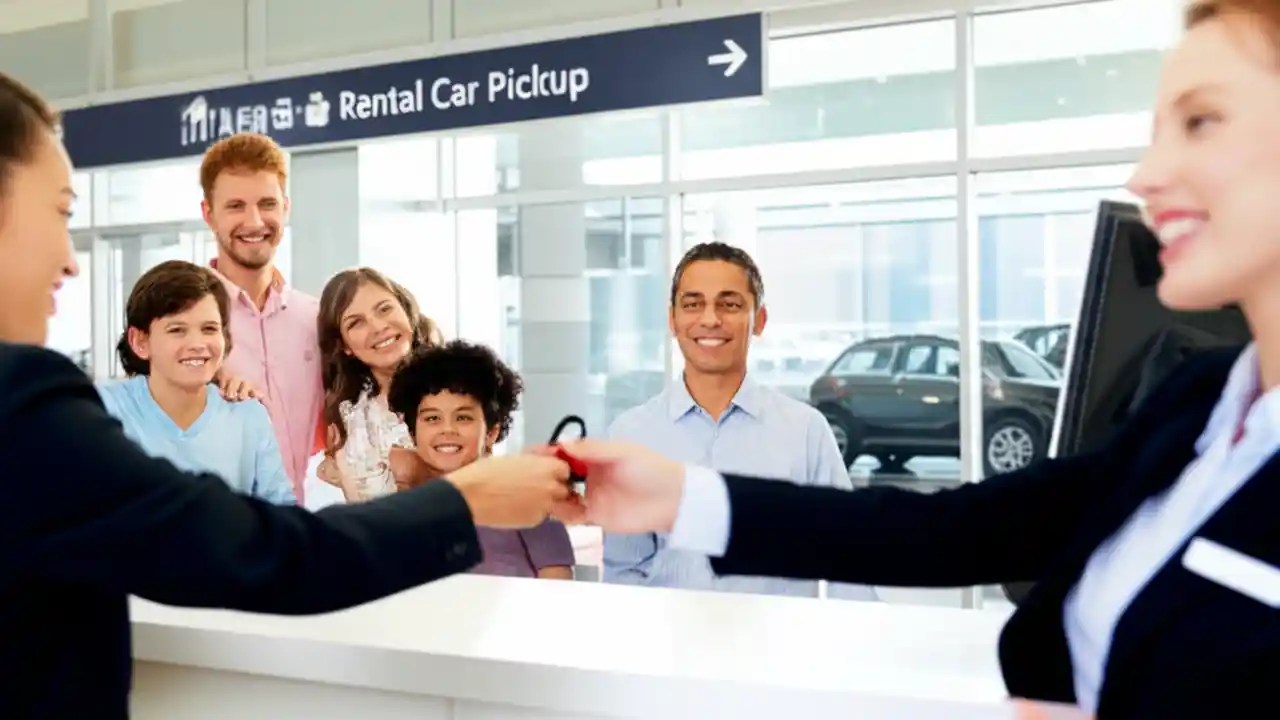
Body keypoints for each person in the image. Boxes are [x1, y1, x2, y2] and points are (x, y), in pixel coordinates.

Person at [552, 3, 1280, 716]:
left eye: (1201, 122)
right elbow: (953, 532)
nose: (1147, 175)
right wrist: (680, 496)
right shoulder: (1202, 402)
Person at [0, 72, 576, 718]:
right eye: (61, 213)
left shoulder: (319, 325)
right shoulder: (28, 405)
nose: (73, 259)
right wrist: (463, 500)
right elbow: (259, 549)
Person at [604, 242, 876, 601]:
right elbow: (623, 570)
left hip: (780, 648)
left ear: (759, 320)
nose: (710, 319)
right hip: (668, 647)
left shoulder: (805, 430)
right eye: (693, 304)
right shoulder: (631, 434)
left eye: (729, 304)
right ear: (673, 319)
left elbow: (846, 562)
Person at [96, 260, 295, 505]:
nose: (197, 344)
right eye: (177, 330)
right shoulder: (103, 408)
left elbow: (281, 513)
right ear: (140, 341)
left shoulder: (248, 416)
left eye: (209, 329)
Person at [201, 132, 323, 504]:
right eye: (235, 205)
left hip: (301, 538)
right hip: (214, 541)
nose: (254, 221)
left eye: (267, 203)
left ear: (285, 207)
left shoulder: (317, 319)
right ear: (209, 214)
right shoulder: (180, 325)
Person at [388, 340, 576, 579]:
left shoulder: (526, 496)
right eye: (432, 418)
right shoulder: (402, 508)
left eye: (463, 418)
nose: (447, 429)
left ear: (491, 433)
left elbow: (557, 587)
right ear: (413, 433)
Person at [315, 267, 441, 505]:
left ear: (406, 311)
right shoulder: (347, 418)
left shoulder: (457, 389)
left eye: (384, 309)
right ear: (344, 345)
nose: (378, 327)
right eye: (356, 323)